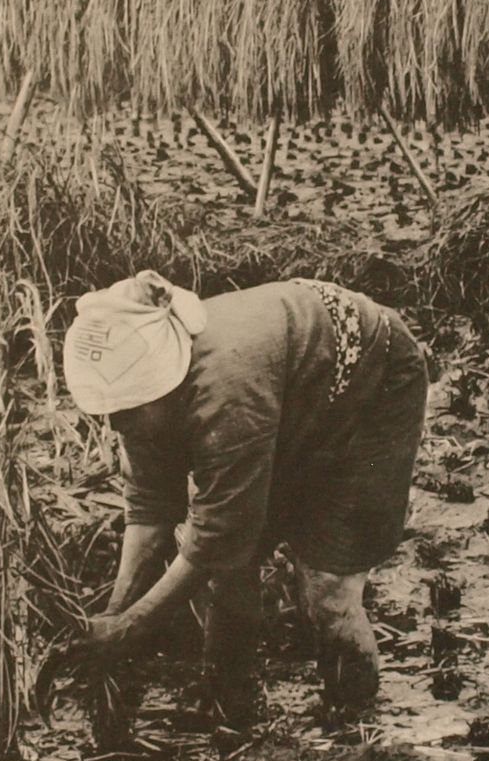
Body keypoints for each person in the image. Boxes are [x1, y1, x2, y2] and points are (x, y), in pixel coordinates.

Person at [60, 270, 429, 731]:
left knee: (326, 587)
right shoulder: (143, 404)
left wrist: (133, 627)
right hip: (291, 396)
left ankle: (354, 720)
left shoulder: (224, 390)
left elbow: (217, 534)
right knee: (232, 571)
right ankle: (232, 707)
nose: (116, 425)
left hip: (371, 384)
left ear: (163, 384)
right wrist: (112, 616)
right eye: (109, 413)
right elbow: (151, 511)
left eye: (126, 412)